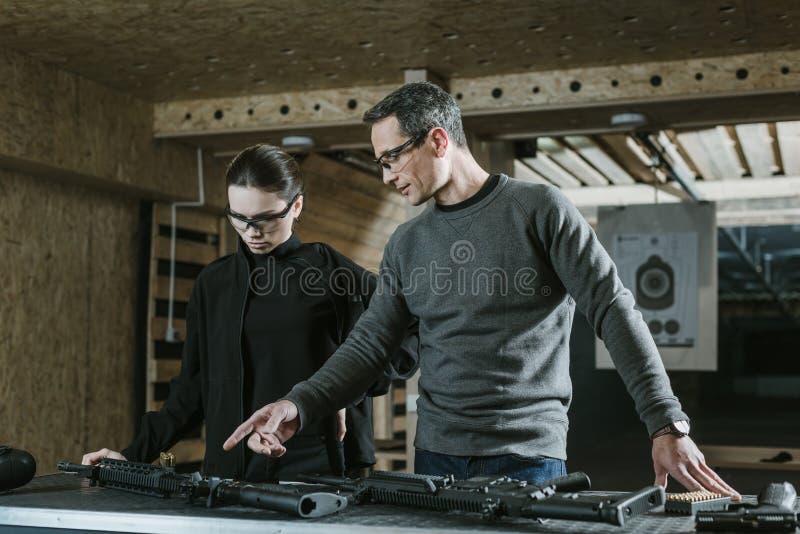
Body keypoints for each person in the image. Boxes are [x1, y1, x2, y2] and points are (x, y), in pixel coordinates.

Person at [223, 82, 739, 498]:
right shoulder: (406, 243)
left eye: (391, 159)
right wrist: (297, 404)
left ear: (438, 140)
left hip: (528, 459)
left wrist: (666, 422)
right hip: (437, 458)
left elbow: (611, 309)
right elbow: (367, 346)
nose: (386, 177)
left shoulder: (540, 210)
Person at [83, 144, 418, 481]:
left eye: (265, 219)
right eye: (239, 219)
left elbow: (408, 332)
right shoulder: (213, 283)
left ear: (296, 205)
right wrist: (131, 455)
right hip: (226, 472)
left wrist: (347, 392)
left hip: (316, 472)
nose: (252, 232)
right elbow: (191, 389)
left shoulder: (335, 275)